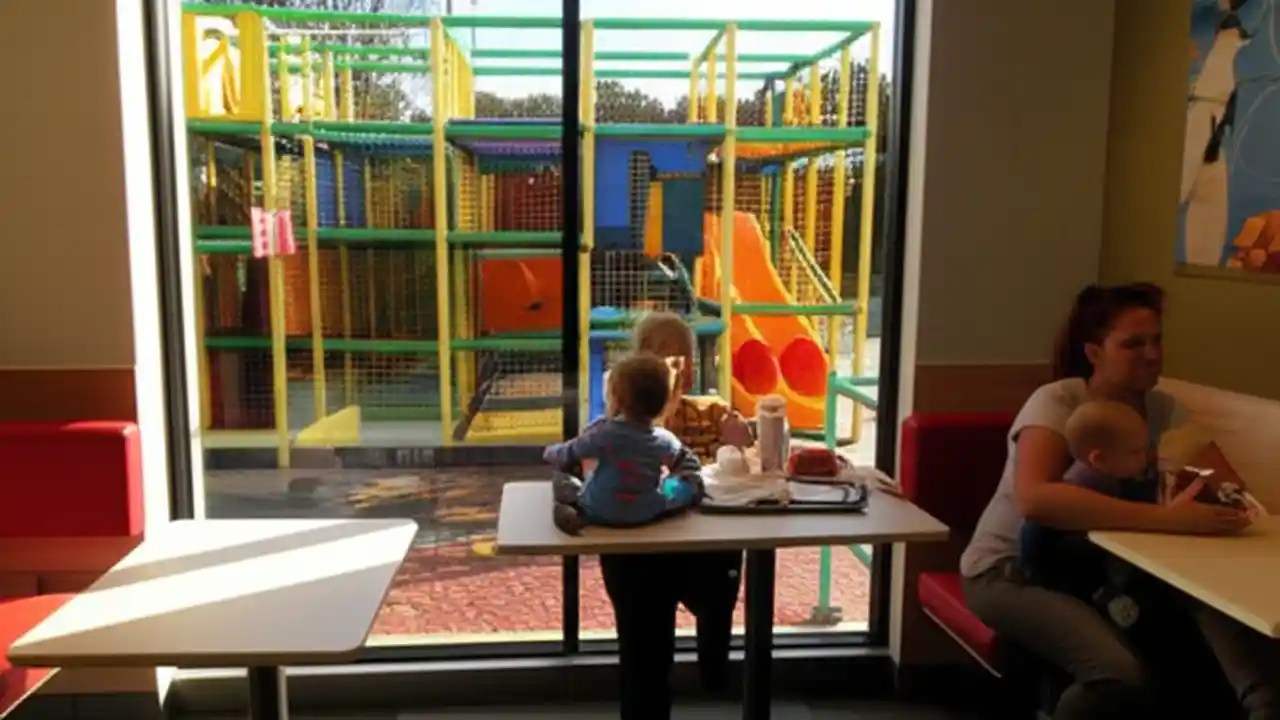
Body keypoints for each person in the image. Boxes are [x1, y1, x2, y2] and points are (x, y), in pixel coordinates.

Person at [961, 282, 1280, 720]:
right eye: (1134, 344)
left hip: (1114, 570)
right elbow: (1036, 500)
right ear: (1094, 353)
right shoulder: (1059, 402)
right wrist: (1169, 519)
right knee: (1118, 675)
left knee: (1222, 610)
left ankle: (1263, 703)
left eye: (1157, 341)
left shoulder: (1165, 410)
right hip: (1010, 572)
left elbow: (1230, 486)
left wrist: (1222, 500)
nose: (1153, 354)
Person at [597, 312, 752, 720]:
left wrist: (741, 441)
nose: (675, 367)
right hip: (642, 553)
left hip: (702, 548)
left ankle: (714, 660)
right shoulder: (620, 423)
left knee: (722, 577)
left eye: (683, 357)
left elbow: (741, 467)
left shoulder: (712, 412)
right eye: (663, 357)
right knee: (644, 651)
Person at [1017, 401, 1156, 629]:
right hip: (1055, 562)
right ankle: (1107, 597)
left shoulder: (1110, 473)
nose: (1145, 458)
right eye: (1135, 452)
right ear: (1099, 459)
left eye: (1145, 449)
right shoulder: (1090, 482)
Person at [544, 352, 704, 534]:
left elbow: (568, 453)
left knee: (563, 476)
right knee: (682, 486)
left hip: (598, 509)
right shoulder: (665, 440)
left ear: (616, 399)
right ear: (662, 405)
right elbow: (690, 463)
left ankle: (570, 509)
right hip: (646, 512)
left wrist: (550, 452)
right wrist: (683, 481)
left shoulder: (603, 433)